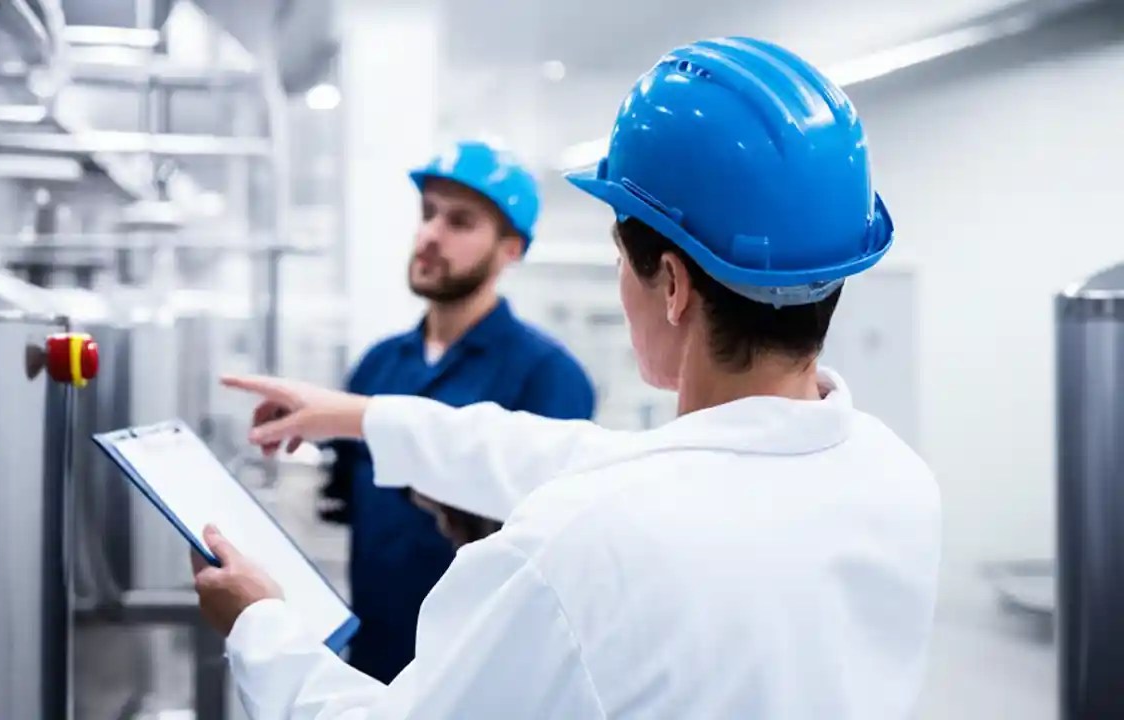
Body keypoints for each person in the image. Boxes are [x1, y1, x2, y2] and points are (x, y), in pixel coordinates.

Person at [194, 37, 941, 719]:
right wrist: (358, 416)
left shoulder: (577, 548)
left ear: (673, 286)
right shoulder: (894, 480)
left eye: (620, 262)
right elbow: (572, 457)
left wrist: (260, 625)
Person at [316, 138, 597, 683]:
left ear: (510, 249)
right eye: (428, 214)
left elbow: (548, 551)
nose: (430, 235)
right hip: (373, 665)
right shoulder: (378, 366)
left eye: (460, 222)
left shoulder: (547, 375)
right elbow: (346, 503)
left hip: (482, 679)